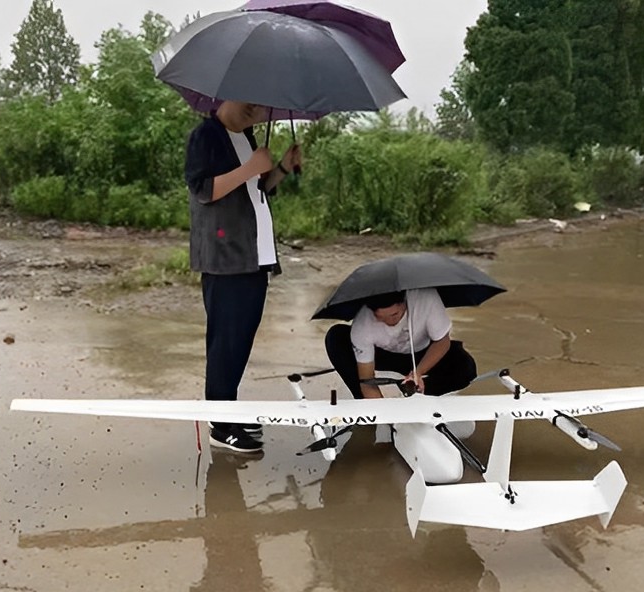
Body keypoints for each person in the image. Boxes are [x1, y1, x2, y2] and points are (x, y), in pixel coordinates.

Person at [185, 100, 302, 453]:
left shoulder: (246, 136)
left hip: (254, 258)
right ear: (225, 97)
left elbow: (257, 189)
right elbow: (202, 190)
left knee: (240, 342)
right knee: (225, 343)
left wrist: (281, 167)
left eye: (260, 107)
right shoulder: (206, 135)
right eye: (249, 103)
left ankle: (229, 412)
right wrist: (250, 167)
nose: (255, 110)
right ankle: (220, 426)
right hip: (226, 259)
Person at [324, 288, 477, 399]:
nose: (389, 322)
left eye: (394, 314)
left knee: (465, 366)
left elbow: (442, 342)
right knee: (335, 337)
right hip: (383, 354)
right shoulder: (363, 324)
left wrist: (418, 372)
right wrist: (384, 416)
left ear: (404, 302)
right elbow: (366, 380)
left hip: (421, 352)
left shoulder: (426, 298)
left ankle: (421, 396)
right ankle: (364, 404)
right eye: (380, 317)